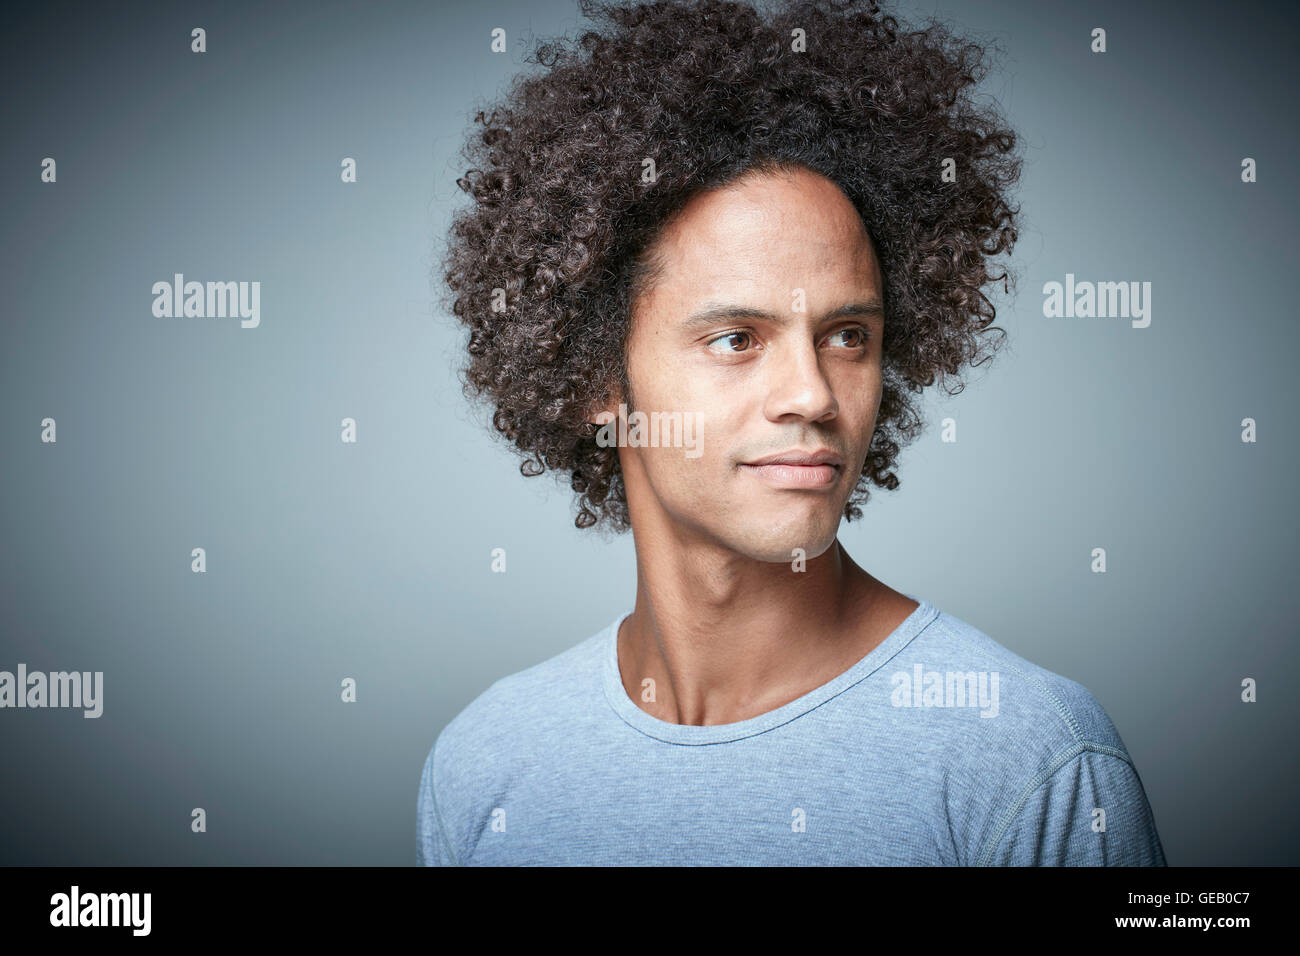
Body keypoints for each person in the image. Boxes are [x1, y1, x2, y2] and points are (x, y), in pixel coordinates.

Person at [419, 0, 1165, 865]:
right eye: (737, 339)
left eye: (848, 337)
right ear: (597, 378)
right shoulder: (483, 766)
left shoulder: (1029, 757)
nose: (813, 394)